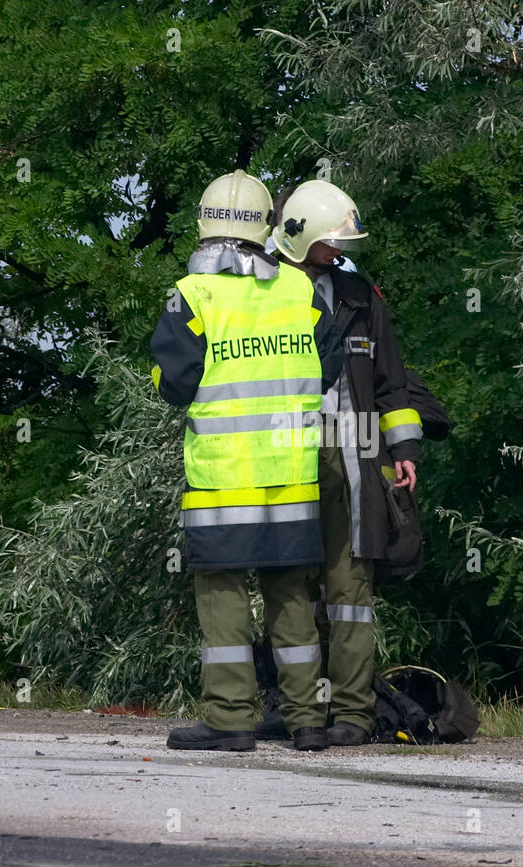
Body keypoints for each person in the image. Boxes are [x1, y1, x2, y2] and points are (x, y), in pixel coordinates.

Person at [151, 170, 343, 752]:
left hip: (223, 481)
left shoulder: (192, 295)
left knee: (224, 597)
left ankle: (232, 719)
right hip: (291, 478)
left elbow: (173, 383)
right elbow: (329, 365)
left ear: (205, 229)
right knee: (292, 597)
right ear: (267, 229)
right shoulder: (299, 290)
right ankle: (308, 718)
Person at [267, 179, 423, 746]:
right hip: (287, 452)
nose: (340, 252)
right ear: (298, 234)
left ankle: (354, 716)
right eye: (332, 242)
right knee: (290, 587)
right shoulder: (262, 292)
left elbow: (391, 385)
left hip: (355, 456)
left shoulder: (360, 299)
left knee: (350, 592)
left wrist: (402, 450)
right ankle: (300, 714)